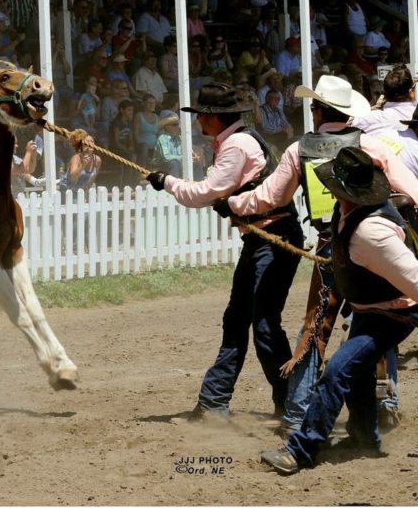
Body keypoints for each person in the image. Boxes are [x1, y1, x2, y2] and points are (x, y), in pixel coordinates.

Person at [214, 75, 418, 433]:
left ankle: (296, 412)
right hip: (370, 244)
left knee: (315, 327)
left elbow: (269, 198)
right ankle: (385, 401)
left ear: (318, 110)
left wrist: (232, 204)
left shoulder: (299, 149)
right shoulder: (371, 146)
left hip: (331, 246)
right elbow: (412, 192)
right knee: (377, 317)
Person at [145, 82, 304, 418]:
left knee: (263, 324)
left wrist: (167, 183)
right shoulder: (238, 140)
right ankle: (217, 401)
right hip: (264, 238)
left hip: (273, 239)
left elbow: (207, 192)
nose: (199, 120)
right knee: (240, 319)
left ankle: (292, 402)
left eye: (202, 115)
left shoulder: (235, 145)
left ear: (213, 117)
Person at [260, 146, 417, 475]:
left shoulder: (373, 233)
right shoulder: (348, 212)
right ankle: (365, 438)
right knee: (356, 372)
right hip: (370, 308)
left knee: (336, 373)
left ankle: (300, 451)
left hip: (392, 314)